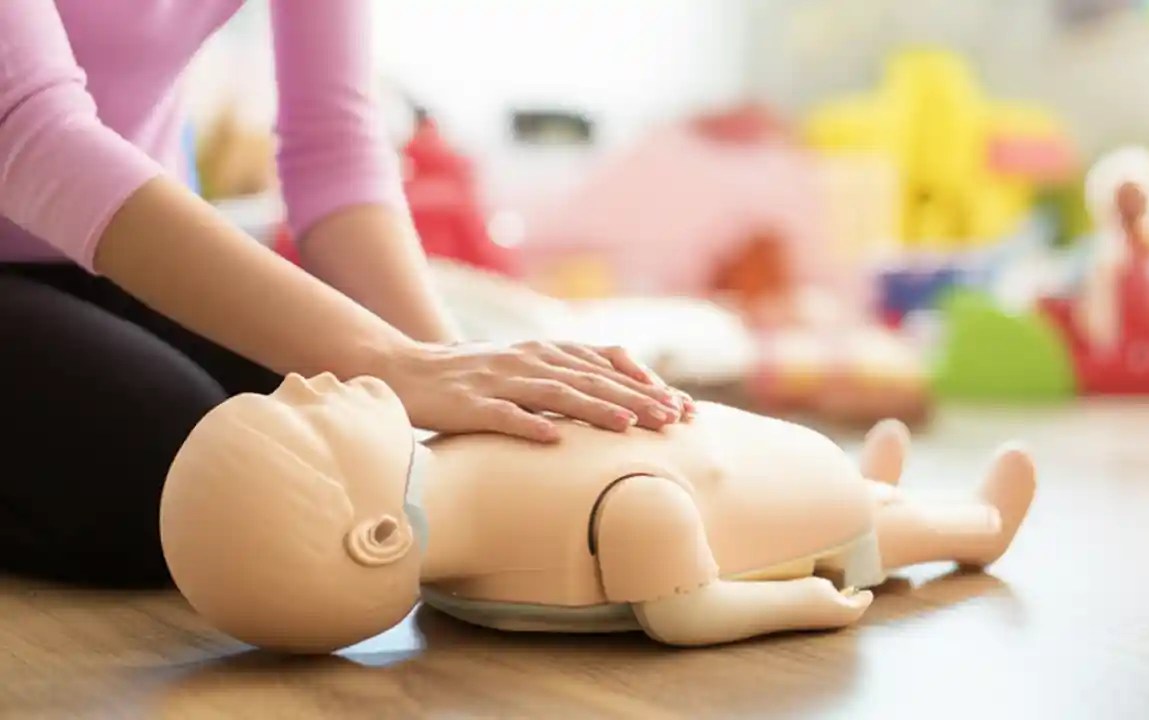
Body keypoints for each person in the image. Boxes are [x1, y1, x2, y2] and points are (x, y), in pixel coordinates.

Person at [0, 1, 692, 588]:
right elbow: (29, 132)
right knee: (184, 482)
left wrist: (453, 376)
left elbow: (332, 146)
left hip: (116, 258)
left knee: (329, 450)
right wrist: (391, 361)